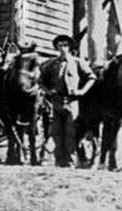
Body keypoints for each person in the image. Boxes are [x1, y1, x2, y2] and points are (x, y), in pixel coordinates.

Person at [39, 34, 95, 168]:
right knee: (57, 133)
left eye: (65, 45)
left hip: (72, 102)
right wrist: (48, 91)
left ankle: (70, 162)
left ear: (69, 47)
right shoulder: (52, 64)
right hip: (56, 102)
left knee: (71, 133)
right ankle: (59, 162)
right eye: (60, 45)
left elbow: (91, 77)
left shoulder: (77, 62)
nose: (63, 48)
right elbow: (40, 81)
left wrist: (81, 91)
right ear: (57, 47)